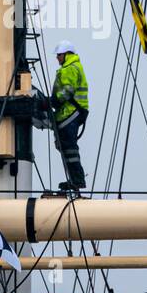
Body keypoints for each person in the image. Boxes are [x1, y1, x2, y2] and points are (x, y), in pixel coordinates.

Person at [51, 39, 89, 190]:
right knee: (64, 145)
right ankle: (74, 179)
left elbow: (68, 90)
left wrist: (54, 100)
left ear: (67, 54)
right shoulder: (72, 67)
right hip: (73, 111)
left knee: (69, 146)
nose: (57, 58)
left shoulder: (69, 68)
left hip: (72, 111)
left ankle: (77, 180)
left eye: (59, 55)